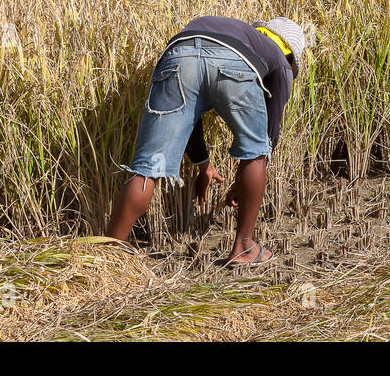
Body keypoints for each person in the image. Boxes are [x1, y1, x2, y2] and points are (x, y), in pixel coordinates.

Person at [105, 15, 306, 266]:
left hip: (178, 55)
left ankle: (107, 258)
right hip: (236, 63)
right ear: (290, 53)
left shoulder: (240, 31)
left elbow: (190, 117)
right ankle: (244, 247)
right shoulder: (280, 60)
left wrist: (204, 165)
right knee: (256, 149)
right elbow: (268, 135)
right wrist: (245, 184)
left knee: (147, 167)